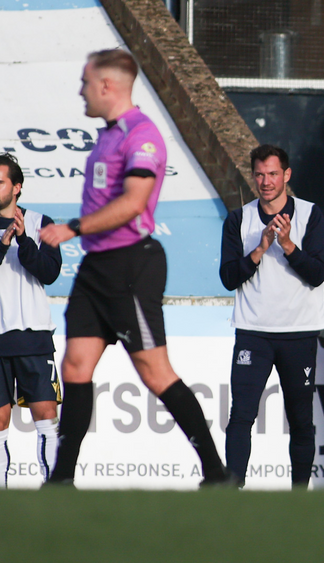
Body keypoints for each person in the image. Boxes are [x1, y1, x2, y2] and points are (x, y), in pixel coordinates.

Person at [38, 49, 227, 485]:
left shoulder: (142, 135)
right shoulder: (107, 134)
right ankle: (62, 479)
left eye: (85, 82)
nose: (80, 91)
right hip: (97, 268)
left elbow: (134, 203)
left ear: (107, 86)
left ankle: (216, 472)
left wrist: (73, 228)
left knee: (155, 372)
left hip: (130, 266)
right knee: (75, 366)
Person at [220, 144, 324, 488]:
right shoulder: (239, 218)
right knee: (241, 416)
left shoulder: (311, 214)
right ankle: (232, 490)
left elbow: (317, 274)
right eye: (260, 174)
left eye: (273, 174)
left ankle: (299, 496)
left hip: (299, 333)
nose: (266, 181)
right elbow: (227, 278)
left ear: (287, 175)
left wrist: (288, 246)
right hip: (253, 332)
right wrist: (261, 249)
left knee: (301, 420)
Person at [0, 153, 62, 485]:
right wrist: (3, 243)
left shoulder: (41, 222)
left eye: (0, 182)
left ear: (17, 187)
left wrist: (23, 240)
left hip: (33, 337)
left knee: (46, 419)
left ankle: (56, 496)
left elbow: (50, 273)